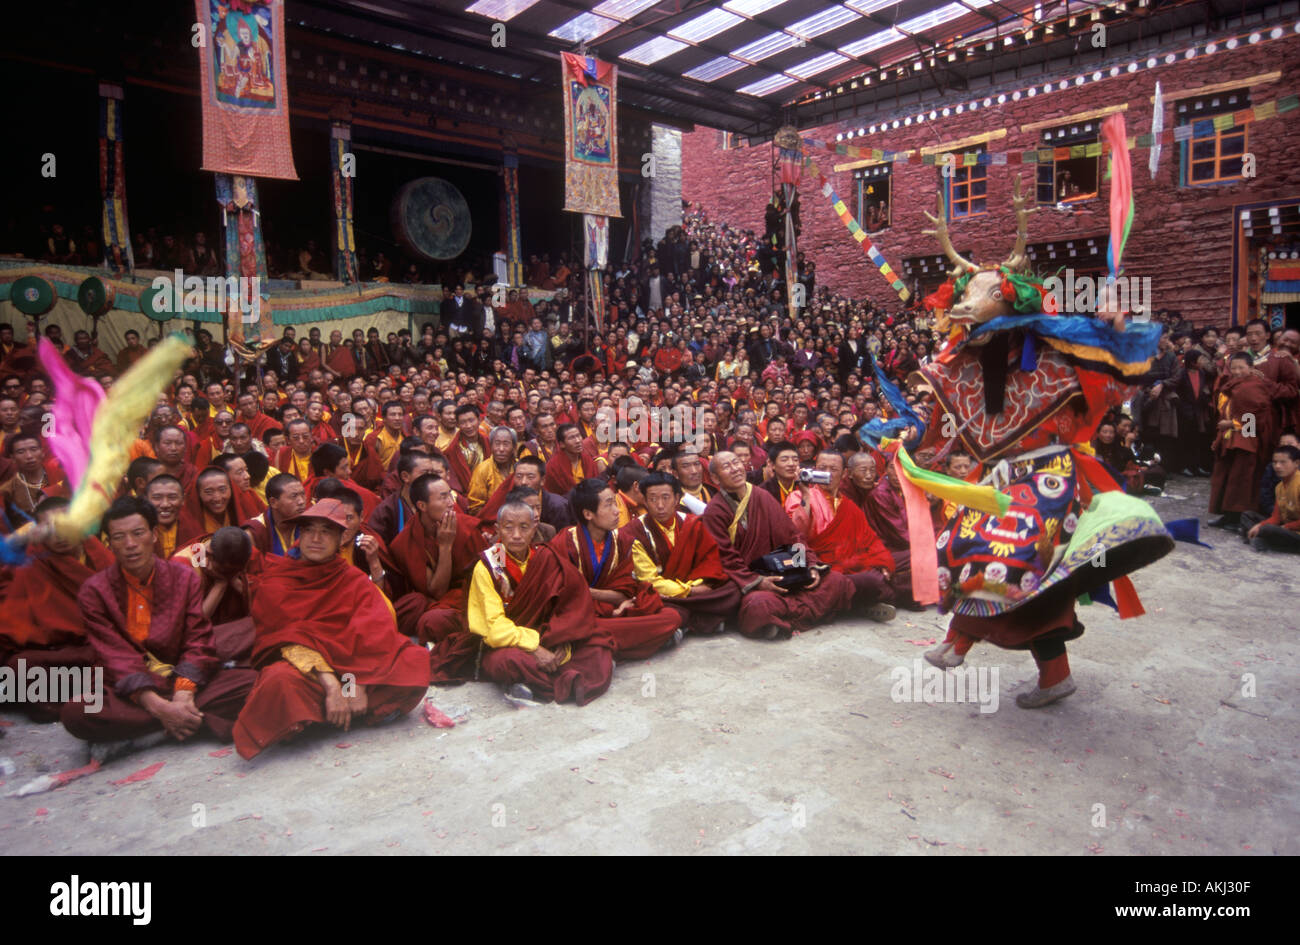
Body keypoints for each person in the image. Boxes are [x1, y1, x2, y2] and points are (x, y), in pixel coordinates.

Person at [232, 499, 430, 759]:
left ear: (341, 540)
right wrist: (333, 688)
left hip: (353, 669)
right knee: (278, 681)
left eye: (326, 532)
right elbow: (287, 642)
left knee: (414, 659)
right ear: (299, 536)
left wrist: (352, 685)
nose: (316, 538)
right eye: (309, 530)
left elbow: (373, 635)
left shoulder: (351, 578)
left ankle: (323, 717)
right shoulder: (278, 580)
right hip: (310, 674)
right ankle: (341, 711)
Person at [59, 497, 258, 758]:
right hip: (133, 687)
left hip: (187, 677)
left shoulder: (182, 576)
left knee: (255, 682)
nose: (130, 545)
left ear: (153, 535)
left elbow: (198, 638)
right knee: (77, 711)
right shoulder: (94, 591)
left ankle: (152, 730)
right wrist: (159, 707)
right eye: (119, 537)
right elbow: (115, 655)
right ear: (108, 543)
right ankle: (188, 722)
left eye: (138, 533)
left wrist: (183, 695)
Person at [430, 498, 613, 705]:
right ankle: (565, 679)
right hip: (505, 643)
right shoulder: (491, 564)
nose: (516, 535)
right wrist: (535, 648)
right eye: (508, 528)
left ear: (534, 527)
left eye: (524, 527)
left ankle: (536, 681)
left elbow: (570, 604)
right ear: (498, 528)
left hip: (548, 635)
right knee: (507, 662)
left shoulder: (545, 556)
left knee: (598, 642)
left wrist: (564, 639)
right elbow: (494, 627)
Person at [700, 451, 854, 639]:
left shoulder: (761, 496)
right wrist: (758, 582)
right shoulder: (715, 511)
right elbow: (725, 558)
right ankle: (808, 613)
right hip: (754, 579)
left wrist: (809, 567)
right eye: (726, 467)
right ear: (715, 477)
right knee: (757, 605)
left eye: (736, 462)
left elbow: (792, 536)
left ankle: (782, 620)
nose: (735, 469)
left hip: (784, 572)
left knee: (836, 581)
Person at [0, 497, 114, 720]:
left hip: (98, 647)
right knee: (17, 666)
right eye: (50, 530)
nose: (60, 536)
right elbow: (12, 619)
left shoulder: (97, 553)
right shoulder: (33, 562)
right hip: (55, 652)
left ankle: (65, 698)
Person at [551, 479, 682, 661]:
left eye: (615, 502)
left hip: (613, 613)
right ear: (588, 514)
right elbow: (561, 597)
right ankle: (640, 641)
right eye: (609, 505)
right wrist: (609, 608)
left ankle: (601, 646)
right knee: (575, 628)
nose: (617, 510)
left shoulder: (621, 541)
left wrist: (616, 605)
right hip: (582, 617)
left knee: (671, 616)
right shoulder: (564, 542)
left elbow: (624, 592)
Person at [621, 472, 739, 634]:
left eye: (666, 497)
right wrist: (689, 591)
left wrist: (696, 586)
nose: (660, 505)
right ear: (645, 501)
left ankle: (684, 622)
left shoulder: (691, 523)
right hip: (665, 593)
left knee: (732, 588)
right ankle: (703, 618)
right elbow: (648, 579)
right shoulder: (634, 532)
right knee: (649, 600)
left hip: (690, 588)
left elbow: (708, 562)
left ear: (677, 499)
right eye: (653, 499)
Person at [784, 450, 897, 620]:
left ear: (844, 473)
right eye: (822, 468)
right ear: (814, 470)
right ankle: (859, 604)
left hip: (849, 564)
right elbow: (796, 534)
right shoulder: (798, 496)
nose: (827, 474)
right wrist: (806, 494)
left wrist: (881, 561)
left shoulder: (848, 506)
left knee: (885, 572)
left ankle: (851, 602)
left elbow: (870, 539)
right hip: (819, 568)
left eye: (834, 469)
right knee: (868, 582)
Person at [389, 473, 486, 643]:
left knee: (431, 620)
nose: (451, 503)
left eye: (450, 495)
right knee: (417, 608)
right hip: (437, 600)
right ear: (422, 505)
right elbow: (437, 591)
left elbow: (496, 565)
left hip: (470, 596)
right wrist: (445, 546)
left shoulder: (467, 527)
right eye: (443, 498)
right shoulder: (406, 541)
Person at [1209, 352, 1280, 531]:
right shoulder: (1234, 384)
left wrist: (1232, 424)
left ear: (1250, 368)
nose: (1237, 371)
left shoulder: (1254, 386)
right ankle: (1227, 514)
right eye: (1234, 368)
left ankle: (1238, 517)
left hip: (1246, 439)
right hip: (1230, 438)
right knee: (1225, 477)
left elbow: (1257, 417)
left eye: (1242, 368)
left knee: (1241, 480)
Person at [1240, 444, 1300, 553]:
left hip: (1295, 532)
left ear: (1296, 463)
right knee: (1248, 515)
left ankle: (1262, 540)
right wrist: (1260, 525)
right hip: (1285, 529)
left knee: (1268, 529)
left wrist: (1285, 527)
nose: (1277, 466)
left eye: (1283, 462)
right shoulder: (1280, 487)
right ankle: (1263, 539)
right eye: (1275, 462)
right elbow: (1276, 518)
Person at [466, 426, 516, 515]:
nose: (501, 449)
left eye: (506, 444)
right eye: (497, 444)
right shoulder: (482, 470)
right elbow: (475, 506)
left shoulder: (519, 468)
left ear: (513, 448)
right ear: (491, 446)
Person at [543, 422, 598, 496]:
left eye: (578, 436)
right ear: (562, 444)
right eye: (571, 438)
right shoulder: (553, 466)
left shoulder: (588, 460)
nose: (578, 441)